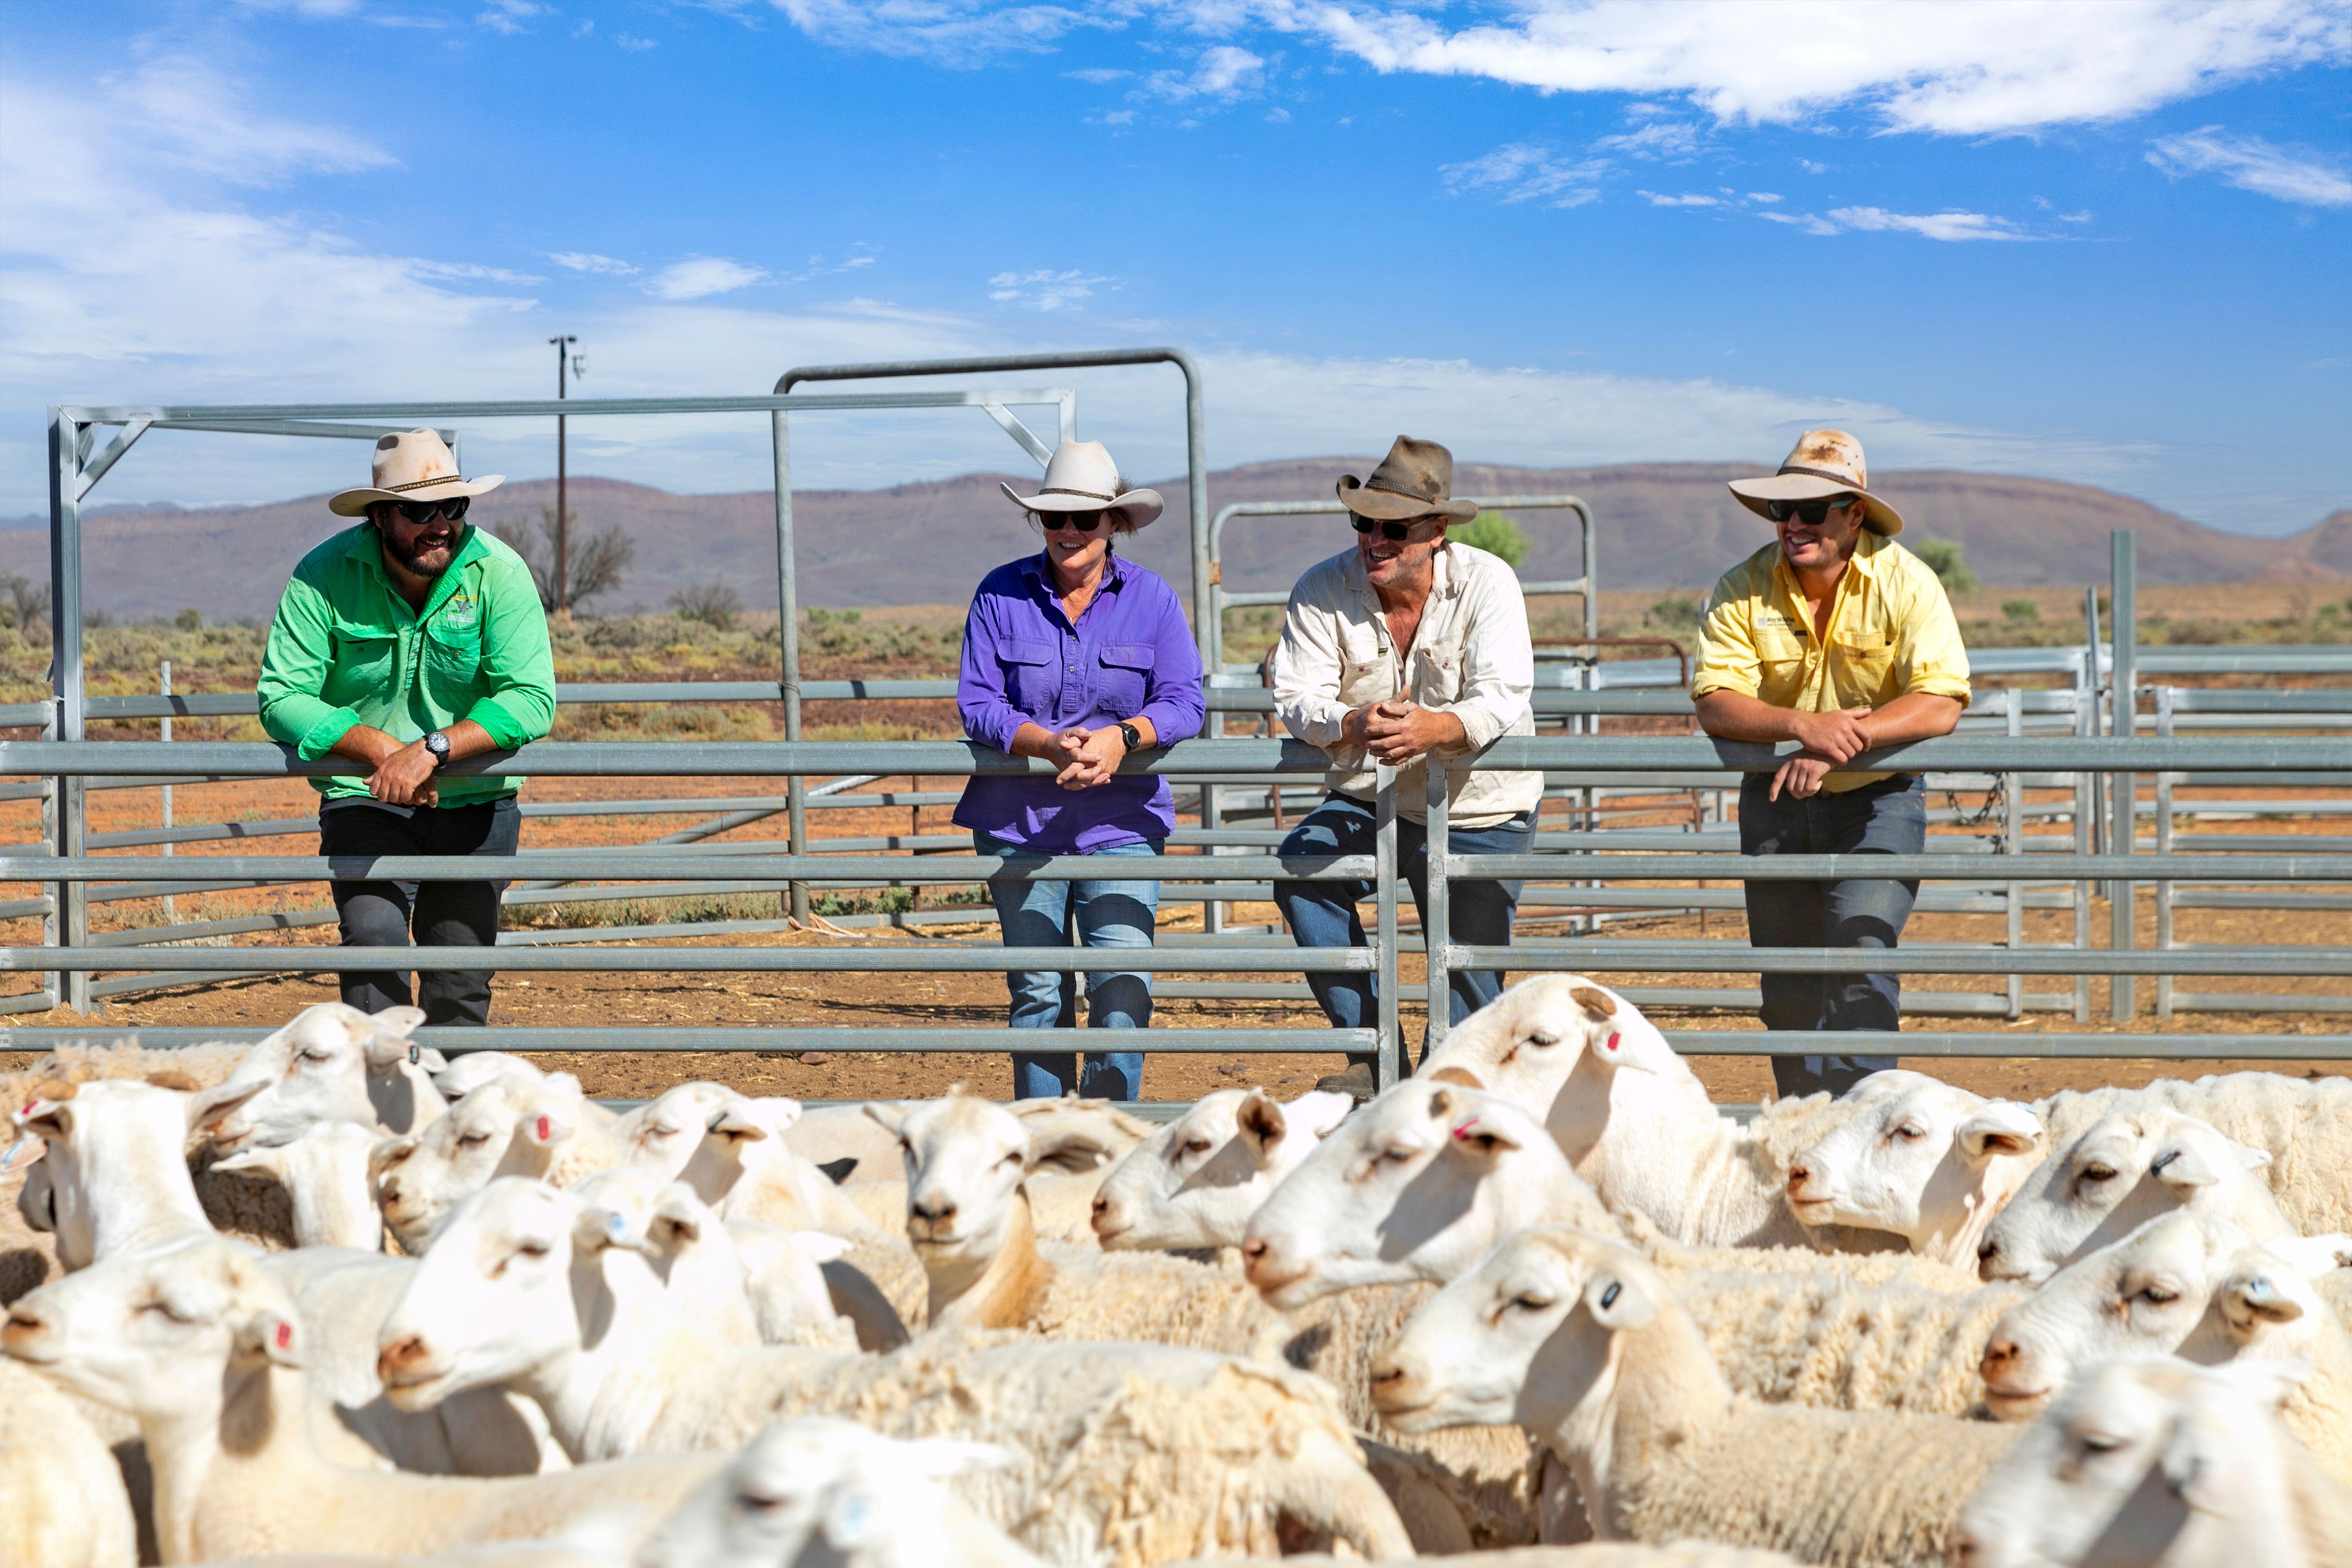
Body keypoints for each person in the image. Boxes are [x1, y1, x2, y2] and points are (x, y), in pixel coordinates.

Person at [1690, 429, 1971, 1098]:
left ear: (1853, 514)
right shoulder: (1742, 589)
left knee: (1861, 956)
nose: (1792, 524)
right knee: (1787, 982)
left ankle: (1865, 1134)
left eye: (1811, 510)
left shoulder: (1906, 584)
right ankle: (1804, 1131)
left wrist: (1843, 741)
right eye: (1782, 511)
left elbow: (1940, 700)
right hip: (1778, 802)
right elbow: (1715, 700)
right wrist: (1800, 727)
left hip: (1877, 802)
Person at [1270, 436, 1540, 1098]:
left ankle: (1443, 1100)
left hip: (1482, 806)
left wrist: (1435, 727)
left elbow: (1502, 692)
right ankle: (1372, 1051)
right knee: (1305, 874)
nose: (1375, 539)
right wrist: (1350, 724)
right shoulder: (1321, 588)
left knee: (1467, 980)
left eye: (1395, 527)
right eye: (1364, 522)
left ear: (1437, 531)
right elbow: (1295, 695)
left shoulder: (1487, 583)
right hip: (1371, 794)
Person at [258, 429, 555, 1026]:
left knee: (459, 978)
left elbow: (531, 698)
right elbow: (281, 695)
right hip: (366, 800)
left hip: (476, 805)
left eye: (453, 506)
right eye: (420, 510)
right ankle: (380, 1109)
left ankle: (447, 1112)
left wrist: (433, 751)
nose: (440, 523)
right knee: (373, 946)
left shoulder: (499, 571)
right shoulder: (323, 575)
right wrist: (380, 750)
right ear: (380, 515)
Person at [954, 439, 1205, 1102]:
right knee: (1038, 989)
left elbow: (1185, 701)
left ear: (1113, 523)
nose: (1068, 531)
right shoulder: (998, 595)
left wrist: (1124, 739)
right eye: (1053, 518)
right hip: (1020, 822)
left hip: (1120, 822)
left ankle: (1105, 1133)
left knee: (1122, 987)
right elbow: (978, 703)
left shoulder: (1152, 600)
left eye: (1084, 519)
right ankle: (1044, 1146)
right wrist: (1044, 743)